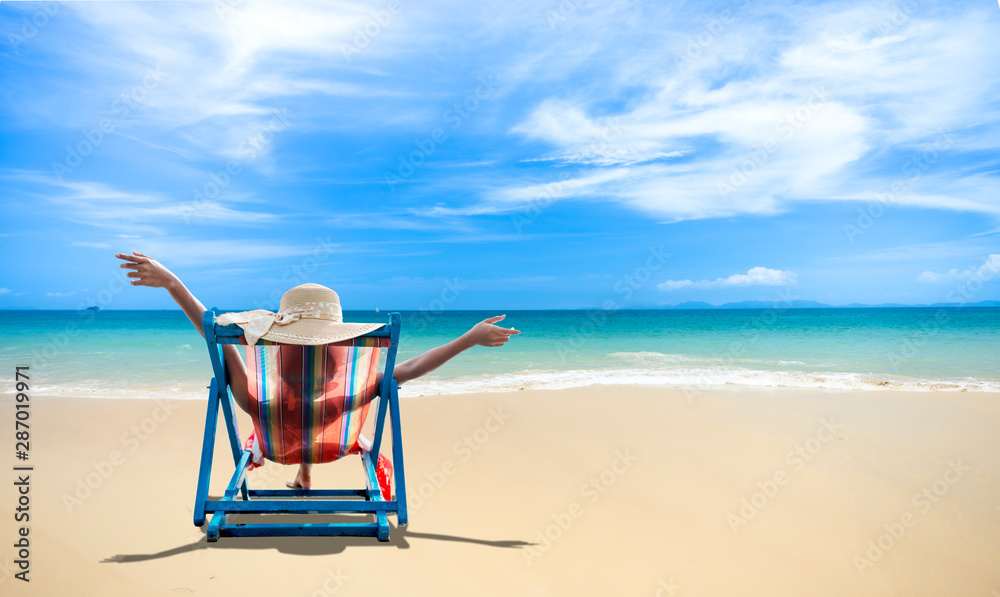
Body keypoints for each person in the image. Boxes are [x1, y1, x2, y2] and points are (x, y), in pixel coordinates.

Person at [115, 251, 519, 488]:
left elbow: (210, 330)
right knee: (314, 413)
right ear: (339, 359)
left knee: (292, 412)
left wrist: (173, 284)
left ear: (279, 355)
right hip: (334, 445)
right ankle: (307, 473)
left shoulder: (256, 401)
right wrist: (469, 338)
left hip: (278, 444)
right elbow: (413, 367)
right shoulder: (351, 396)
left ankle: (301, 474)